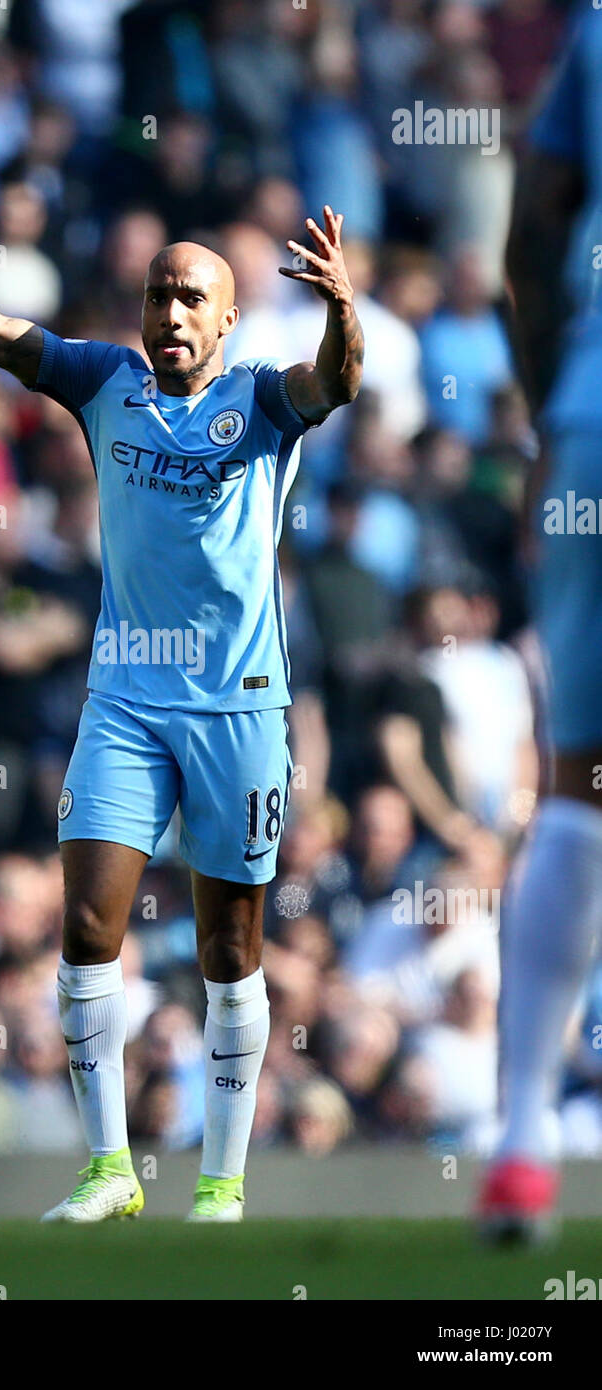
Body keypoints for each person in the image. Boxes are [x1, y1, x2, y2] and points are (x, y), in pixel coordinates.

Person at [0, 113, 363, 1222]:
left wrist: (343, 308)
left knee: (229, 947)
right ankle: (110, 1169)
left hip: (239, 708)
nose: (169, 312)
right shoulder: (103, 381)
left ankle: (220, 1181)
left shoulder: (260, 403)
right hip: (124, 697)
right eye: (158, 294)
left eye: (191, 298)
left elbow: (336, 380)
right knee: (86, 929)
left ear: (225, 318)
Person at [477, 11, 602, 1241]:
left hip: (591, 425)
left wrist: (554, 407)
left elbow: (530, 230)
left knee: (579, 781)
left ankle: (520, 1141)